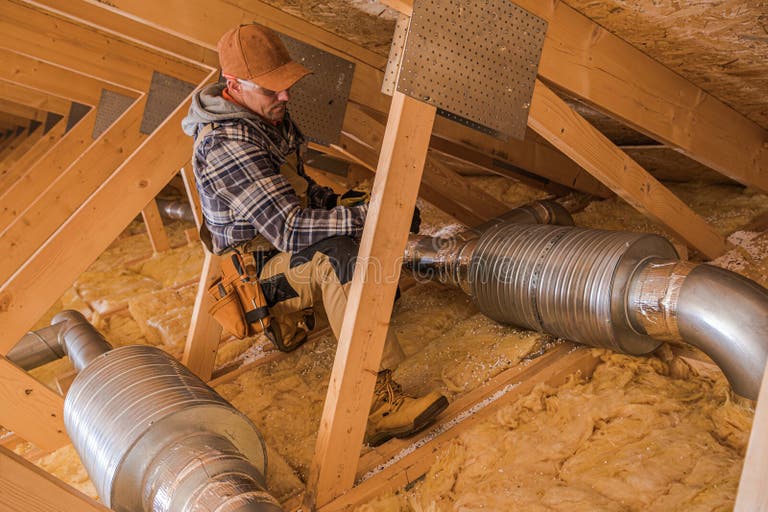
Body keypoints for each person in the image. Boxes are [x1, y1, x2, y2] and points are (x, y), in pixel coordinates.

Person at [181, 23, 447, 446]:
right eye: (272, 89)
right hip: (259, 271)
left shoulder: (263, 116)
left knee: (356, 213)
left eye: (284, 85)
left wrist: (352, 204)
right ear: (233, 85)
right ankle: (373, 407)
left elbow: (299, 189)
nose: (284, 96)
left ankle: (360, 311)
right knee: (341, 256)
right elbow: (289, 228)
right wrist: (371, 219)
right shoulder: (226, 144)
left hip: (279, 241)